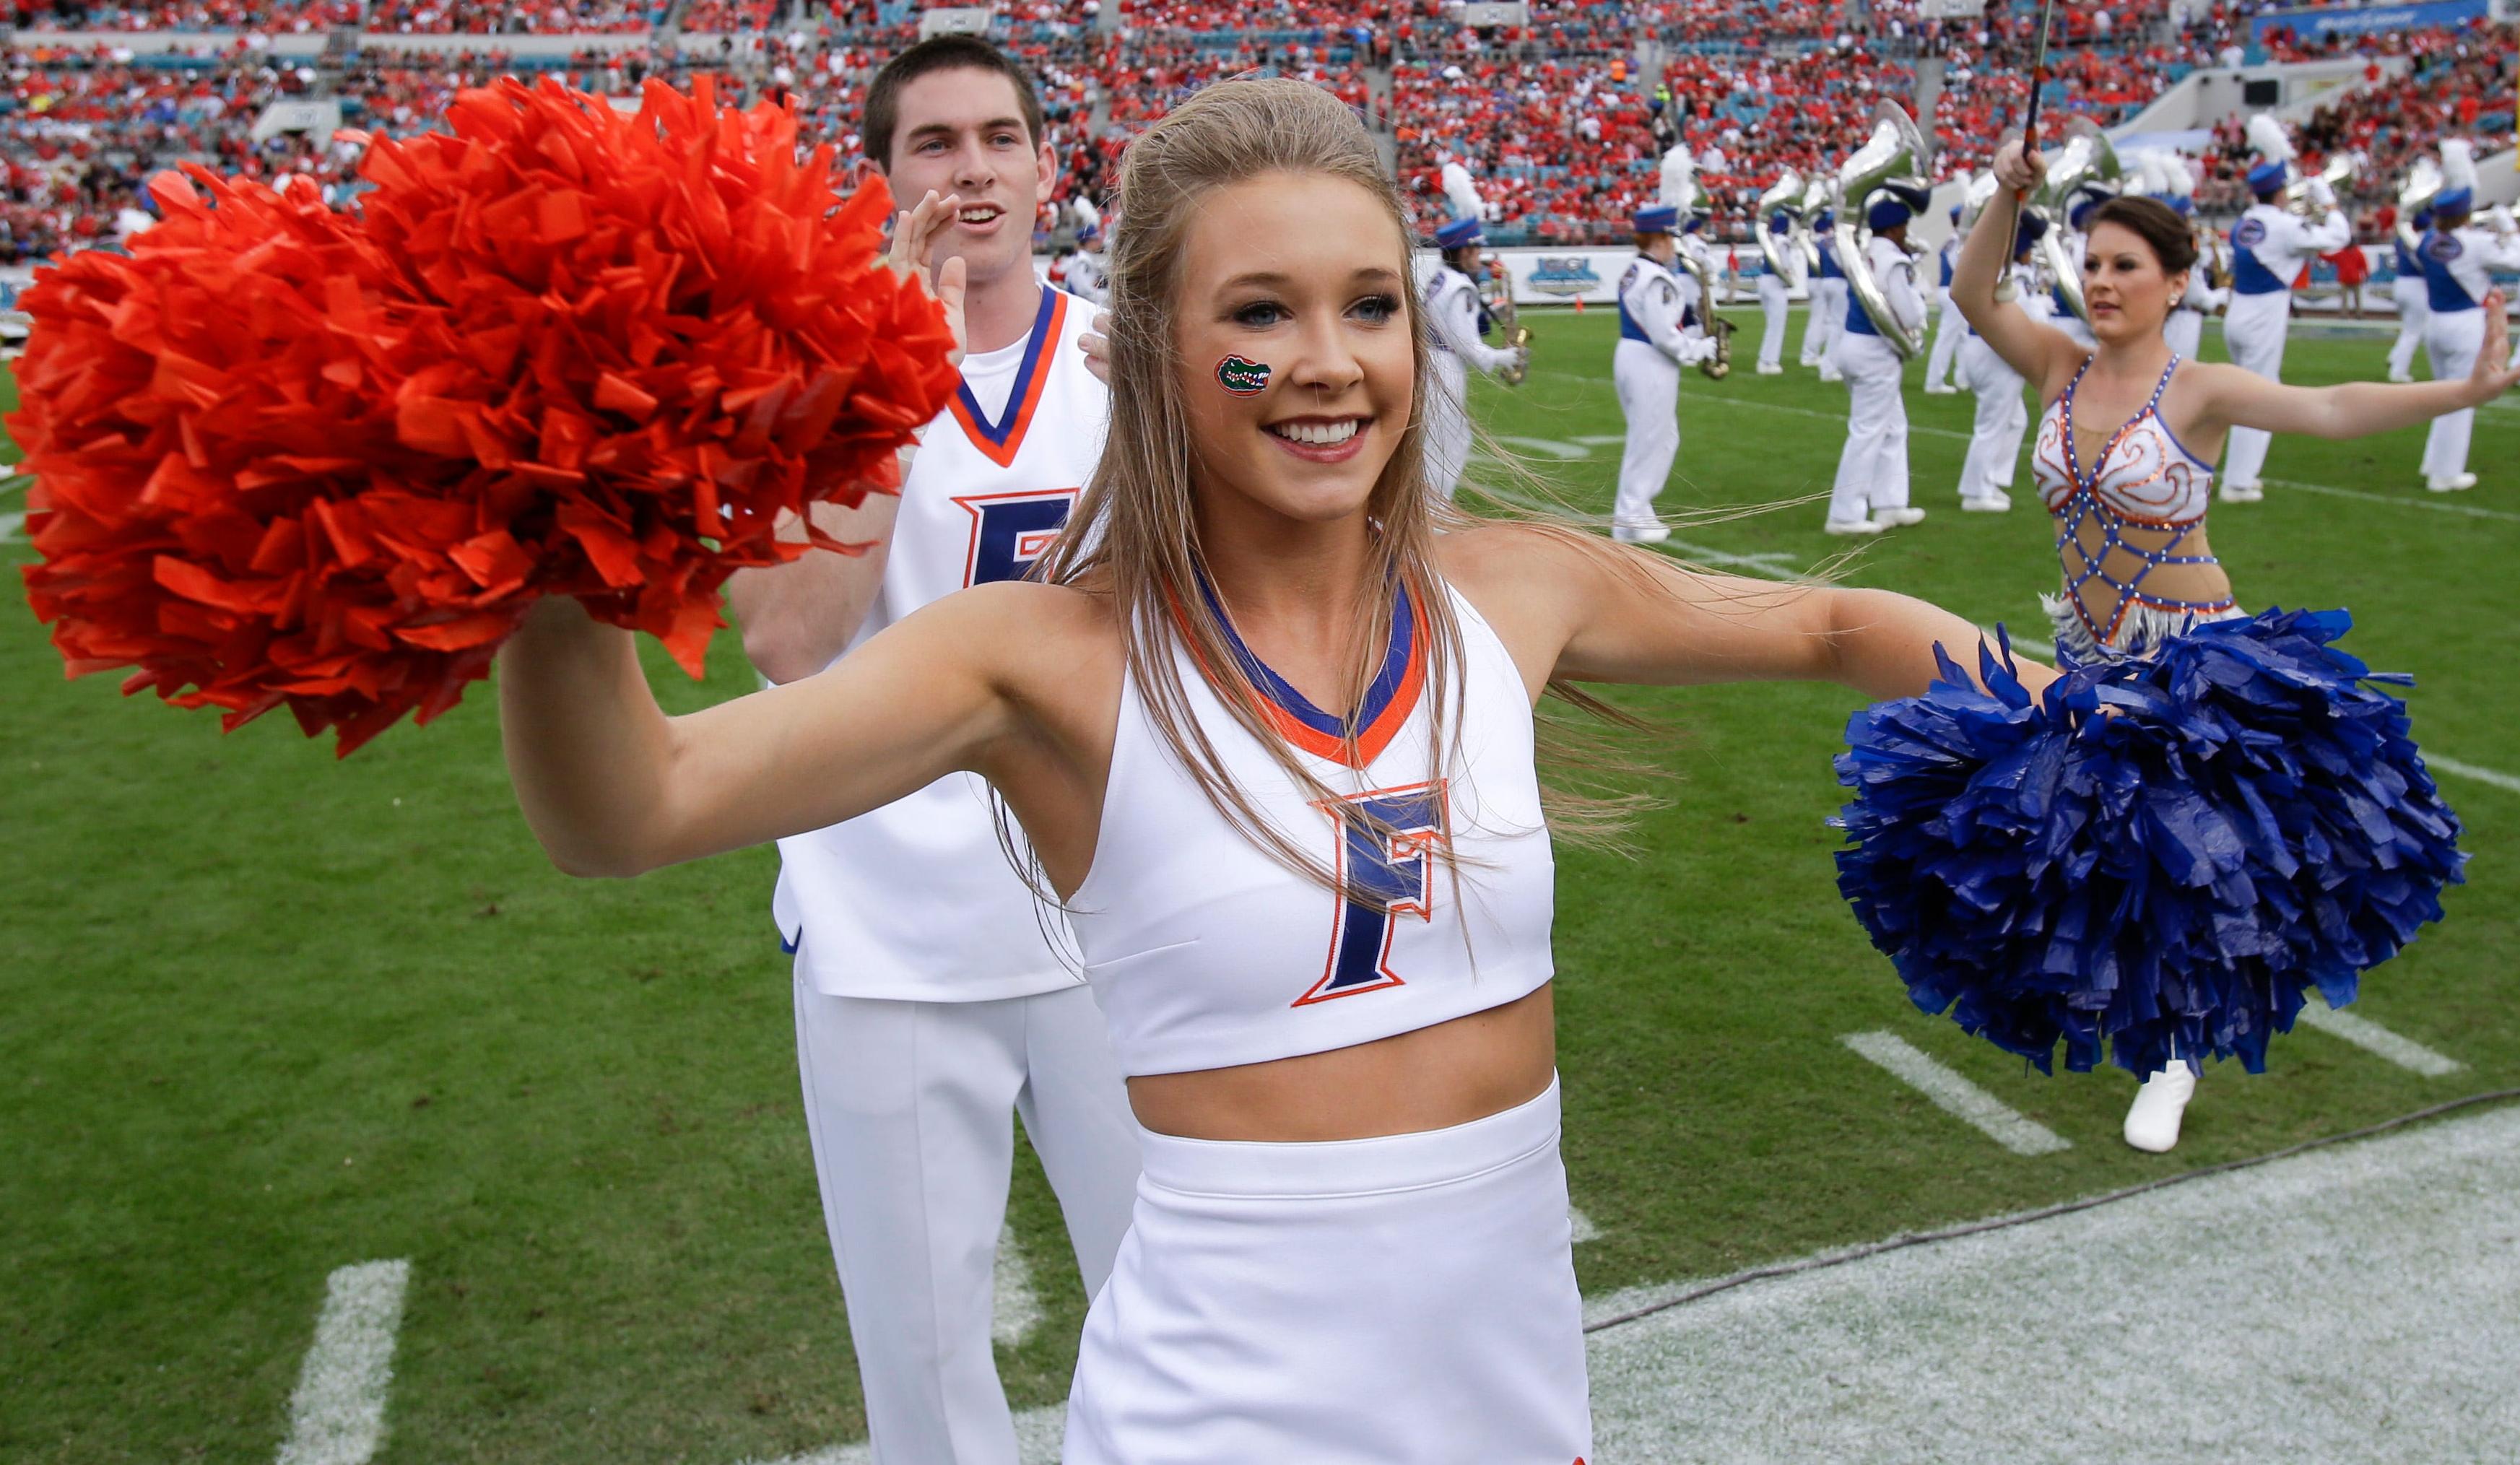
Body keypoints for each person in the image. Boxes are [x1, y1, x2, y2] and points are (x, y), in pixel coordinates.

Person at [500, 78, 2046, 1461]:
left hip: (1517, 1412)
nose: (1329, 366)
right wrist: (544, 522)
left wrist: (2134, 726)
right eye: (1257, 316)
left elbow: (1840, 622)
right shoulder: (1036, 660)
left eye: (1369, 306)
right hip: (1218, 1417)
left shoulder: (1512, 591)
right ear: (1146, 347)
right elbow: (635, 809)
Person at [721, 37, 1140, 1464]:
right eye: (933, 144)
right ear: (885, 175)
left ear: (1042, 163)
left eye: (997, 138)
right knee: (923, 1366)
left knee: (1179, 1314)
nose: (971, 170)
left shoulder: (1126, 356)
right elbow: (785, 638)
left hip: (1117, 911)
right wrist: (884, 382)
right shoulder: (810, 374)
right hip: (888, 922)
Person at [1952, 136, 2515, 1152]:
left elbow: (2333, 409)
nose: (2102, 282)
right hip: (2086, 657)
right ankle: (2127, 1015)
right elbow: (1968, 292)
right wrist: (2005, 192)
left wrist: (2463, 395)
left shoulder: (2198, 389)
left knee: (2186, 862)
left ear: (2174, 283)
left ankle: (2173, 1057)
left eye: (2126, 266)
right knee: (2100, 853)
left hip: (2189, 657)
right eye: (2090, 263)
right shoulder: (2055, 363)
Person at [2215, 155, 2350, 503]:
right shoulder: (2284, 225)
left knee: (2249, 393)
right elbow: (2340, 236)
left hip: (2238, 312)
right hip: (2263, 314)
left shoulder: (2246, 221)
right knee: (2258, 398)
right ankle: (2239, 481)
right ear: (2280, 192)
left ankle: (2240, 475)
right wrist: (2327, 201)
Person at [1823, 186, 1931, 536]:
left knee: (1893, 426)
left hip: (1853, 344)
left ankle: (1891, 503)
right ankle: (1845, 513)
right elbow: (1910, 314)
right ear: (1896, 229)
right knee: (1868, 431)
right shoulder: (1893, 260)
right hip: (1876, 351)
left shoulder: (1866, 251)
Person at [1612, 203, 1719, 542]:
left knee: (1663, 437)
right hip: (1649, 361)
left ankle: (1637, 510)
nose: (1674, 246)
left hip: (1636, 355)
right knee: (1648, 438)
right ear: (1659, 239)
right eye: (1670, 238)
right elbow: (1663, 335)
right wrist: (1700, 347)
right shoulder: (1656, 278)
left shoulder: (1636, 271)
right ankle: (1630, 515)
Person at [2414, 182, 2520, 492]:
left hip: (2434, 323)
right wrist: (2508, 229)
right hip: (2465, 323)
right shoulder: (2476, 243)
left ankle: (2434, 462)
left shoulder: (2427, 241)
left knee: (2444, 394)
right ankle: (2445, 474)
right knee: (2463, 398)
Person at [1420, 214, 1527, 501]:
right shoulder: (1461, 287)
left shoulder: (1441, 278)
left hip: (1431, 364)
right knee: (1446, 443)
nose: (1480, 257)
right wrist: (1505, 357)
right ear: (1464, 251)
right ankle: (1435, 515)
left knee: (1443, 440)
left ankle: (1433, 510)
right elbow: (1467, 345)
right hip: (1444, 366)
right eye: (1476, 250)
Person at [1954, 212, 2048, 512]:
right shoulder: (2013, 275)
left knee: (2015, 419)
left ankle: (1991, 479)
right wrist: (2043, 306)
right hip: (1994, 353)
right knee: (1992, 423)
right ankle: (1975, 492)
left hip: (1984, 349)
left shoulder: (1998, 270)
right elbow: (2028, 316)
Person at [2161, 196, 2225, 362]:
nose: (2193, 224)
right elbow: (2198, 298)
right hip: (2181, 319)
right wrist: (2222, 295)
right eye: (2190, 219)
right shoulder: (2182, 252)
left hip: (2166, 317)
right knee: (2176, 376)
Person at [1921, 201, 1965, 394]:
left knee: (1963, 337)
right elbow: (1962, 269)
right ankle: (1934, 382)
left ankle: (1963, 378)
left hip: (1947, 291)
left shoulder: (1952, 240)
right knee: (1947, 338)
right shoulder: (1958, 243)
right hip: (1953, 292)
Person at [2386, 207, 2433, 383]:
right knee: (2415, 331)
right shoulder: (2423, 240)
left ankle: (2395, 357)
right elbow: (2424, 264)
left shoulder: (2404, 238)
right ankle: (2399, 371)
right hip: (2416, 285)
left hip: (2401, 282)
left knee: (2409, 327)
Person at [1799, 207, 1845, 377]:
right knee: (1832, 323)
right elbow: (1842, 264)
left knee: (1827, 321)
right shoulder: (1835, 239)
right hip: (1831, 281)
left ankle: (1817, 356)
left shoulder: (1819, 240)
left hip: (1822, 281)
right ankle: (1823, 361)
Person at [1756, 203, 1796, 374]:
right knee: (1777, 324)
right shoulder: (1783, 242)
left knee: (1771, 323)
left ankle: (1765, 358)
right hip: (1775, 283)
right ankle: (1769, 361)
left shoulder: (1770, 239)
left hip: (1764, 280)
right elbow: (1785, 265)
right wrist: (1790, 278)